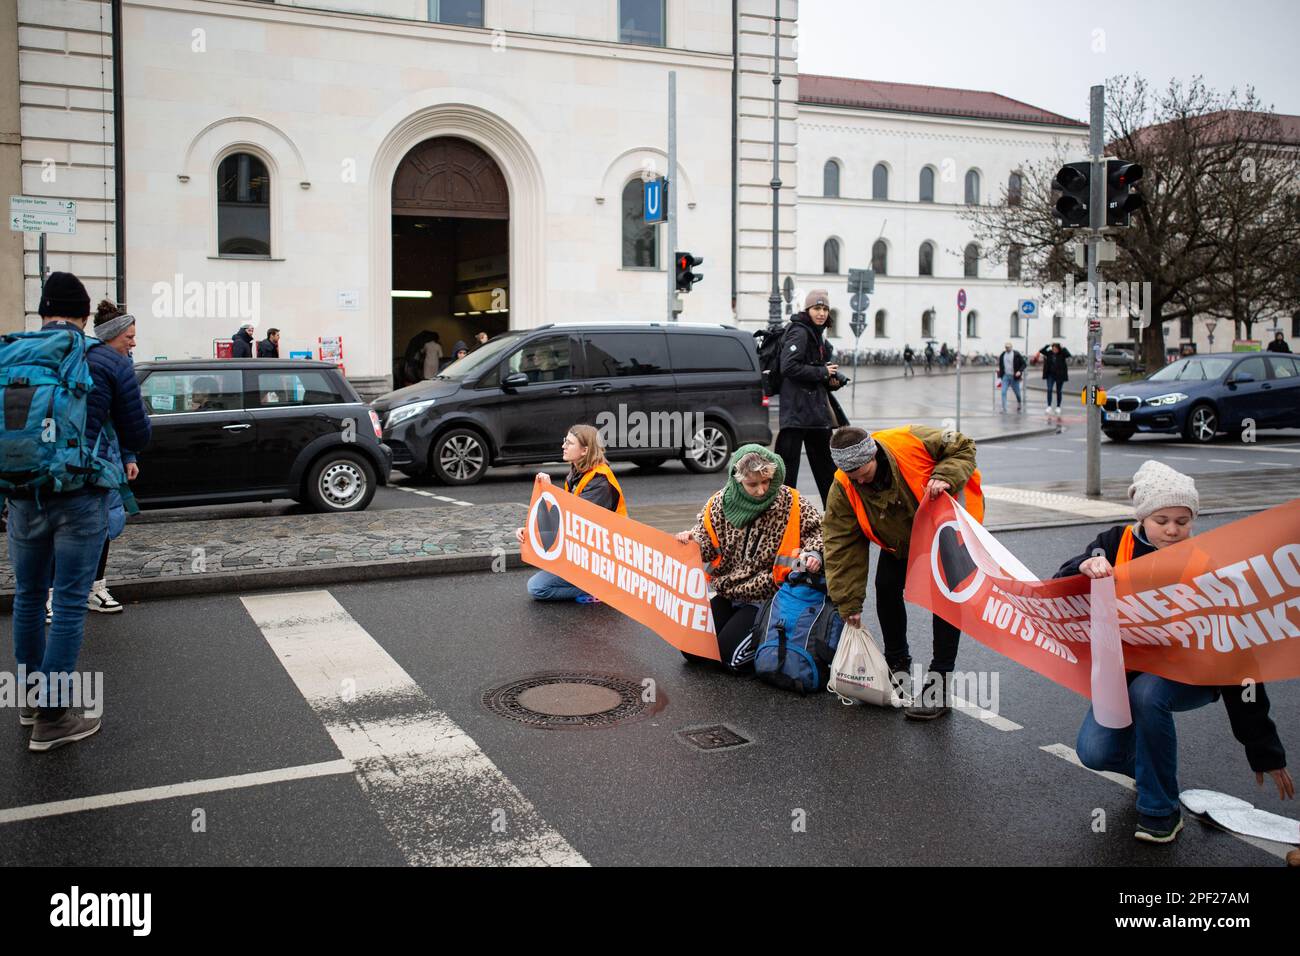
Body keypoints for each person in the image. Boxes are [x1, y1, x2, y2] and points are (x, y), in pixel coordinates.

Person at [1057, 460, 1292, 843]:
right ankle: (1155, 772)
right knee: (1094, 754)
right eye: (1161, 519)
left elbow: (1237, 652)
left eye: (1182, 521)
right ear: (1143, 516)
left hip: (1193, 673)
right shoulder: (1113, 543)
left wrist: (1264, 747)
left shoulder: (1205, 564)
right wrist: (1083, 565)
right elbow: (1060, 583)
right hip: (1127, 672)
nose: (1171, 529)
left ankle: (1161, 812)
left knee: (1148, 696)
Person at [4, 272, 151, 751]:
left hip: (24, 494)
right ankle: (53, 718)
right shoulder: (105, 359)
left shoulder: (12, 353)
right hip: (81, 496)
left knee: (28, 598)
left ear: (42, 312)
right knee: (67, 604)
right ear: (86, 316)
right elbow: (139, 431)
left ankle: (28, 703)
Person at [822, 423, 981, 720]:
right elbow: (841, 544)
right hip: (899, 539)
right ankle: (898, 666)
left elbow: (963, 445)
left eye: (863, 473)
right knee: (886, 588)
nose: (859, 480)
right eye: (852, 476)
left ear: (873, 456)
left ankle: (940, 683)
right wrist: (849, 602)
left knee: (945, 601)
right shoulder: (844, 486)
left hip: (943, 534)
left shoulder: (913, 440)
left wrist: (944, 476)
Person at [675, 445, 824, 672]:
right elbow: (705, 539)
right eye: (752, 484)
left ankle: (764, 644)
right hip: (728, 590)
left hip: (766, 595)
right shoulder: (718, 504)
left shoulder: (793, 503)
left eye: (766, 481)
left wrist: (813, 554)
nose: (762, 490)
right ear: (737, 480)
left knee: (730, 659)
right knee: (691, 650)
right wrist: (691, 540)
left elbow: (819, 533)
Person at [515, 424, 627, 603]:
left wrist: (549, 492)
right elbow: (565, 514)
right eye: (564, 441)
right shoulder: (578, 473)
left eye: (569, 442)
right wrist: (530, 530)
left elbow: (571, 522)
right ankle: (595, 585)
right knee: (538, 583)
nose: (563, 446)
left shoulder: (599, 481)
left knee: (537, 588)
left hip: (602, 559)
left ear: (585, 450)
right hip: (585, 552)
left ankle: (602, 588)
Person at [774, 289, 847, 507]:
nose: (822, 313)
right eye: (817, 308)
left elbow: (813, 371)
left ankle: (835, 518)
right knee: (786, 477)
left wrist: (831, 380)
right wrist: (823, 373)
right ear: (807, 310)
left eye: (825, 309)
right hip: (796, 414)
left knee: (828, 473)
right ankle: (783, 519)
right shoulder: (800, 332)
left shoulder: (818, 337)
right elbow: (788, 367)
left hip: (814, 415)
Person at [1037, 341, 1071, 415]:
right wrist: (1048, 345)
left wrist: (1063, 347)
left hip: (1060, 376)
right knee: (1049, 390)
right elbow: (1041, 351)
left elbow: (1069, 355)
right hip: (1050, 375)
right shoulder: (1049, 353)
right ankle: (1049, 406)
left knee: (1059, 391)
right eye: (1053, 348)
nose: (1054, 350)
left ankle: (1058, 407)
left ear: (1058, 349)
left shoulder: (1062, 353)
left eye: (1055, 348)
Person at [998, 340, 1026, 412]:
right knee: (1003, 392)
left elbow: (1024, 364)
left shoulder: (1016, 354)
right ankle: (1004, 408)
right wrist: (1000, 371)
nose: (1007, 348)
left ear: (1011, 347)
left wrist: (1019, 371)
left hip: (1014, 377)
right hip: (1005, 376)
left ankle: (1019, 402)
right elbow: (1001, 365)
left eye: (1009, 347)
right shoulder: (1002, 355)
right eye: (1006, 347)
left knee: (1017, 393)